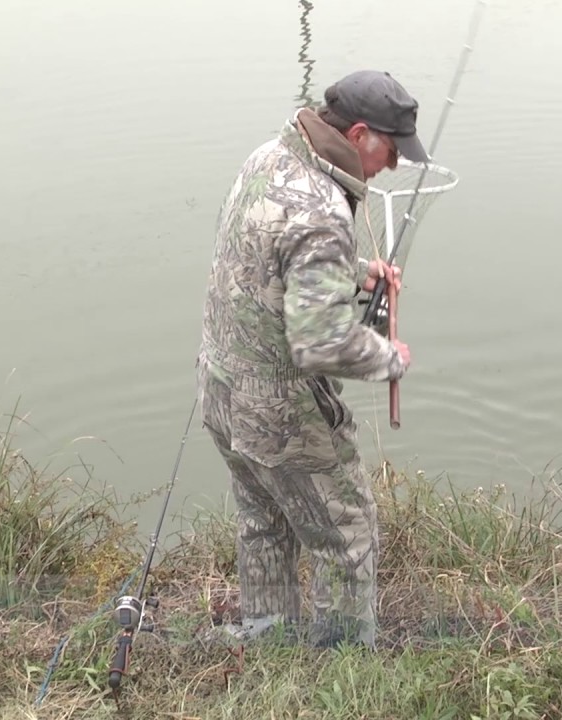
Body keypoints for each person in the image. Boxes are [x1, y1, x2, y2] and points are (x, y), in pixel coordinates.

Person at [195, 69, 427, 649]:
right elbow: (320, 342)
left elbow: (270, 259)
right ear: (358, 134)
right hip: (281, 414)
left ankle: (267, 639)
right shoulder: (324, 208)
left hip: (220, 392)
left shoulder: (269, 158)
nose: (393, 166)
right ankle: (342, 665)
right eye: (392, 150)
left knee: (264, 523)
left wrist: (353, 272)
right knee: (347, 536)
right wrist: (388, 357)